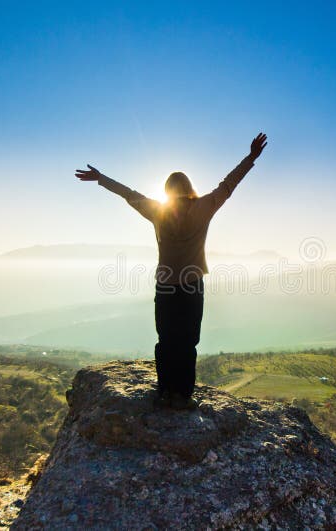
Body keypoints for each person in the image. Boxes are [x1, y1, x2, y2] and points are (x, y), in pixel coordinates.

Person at [75, 133, 268, 410]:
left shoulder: (158, 211)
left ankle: (164, 391)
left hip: (165, 285)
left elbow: (129, 194)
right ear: (189, 187)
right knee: (188, 342)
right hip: (192, 284)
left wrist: (101, 178)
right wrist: (250, 158)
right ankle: (183, 395)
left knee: (166, 340)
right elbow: (229, 185)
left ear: (166, 190)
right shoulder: (203, 207)